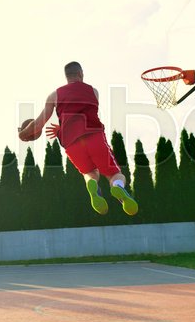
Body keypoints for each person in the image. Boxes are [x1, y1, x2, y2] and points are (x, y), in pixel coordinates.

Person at [18, 61, 138, 216]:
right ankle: (118, 187)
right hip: (94, 137)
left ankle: (92, 186)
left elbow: (38, 124)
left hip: (72, 144)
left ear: (66, 76)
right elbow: (82, 113)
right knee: (114, 174)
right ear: (81, 73)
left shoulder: (54, 95)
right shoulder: (94, 91)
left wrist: (23, 134)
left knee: (90, 172)